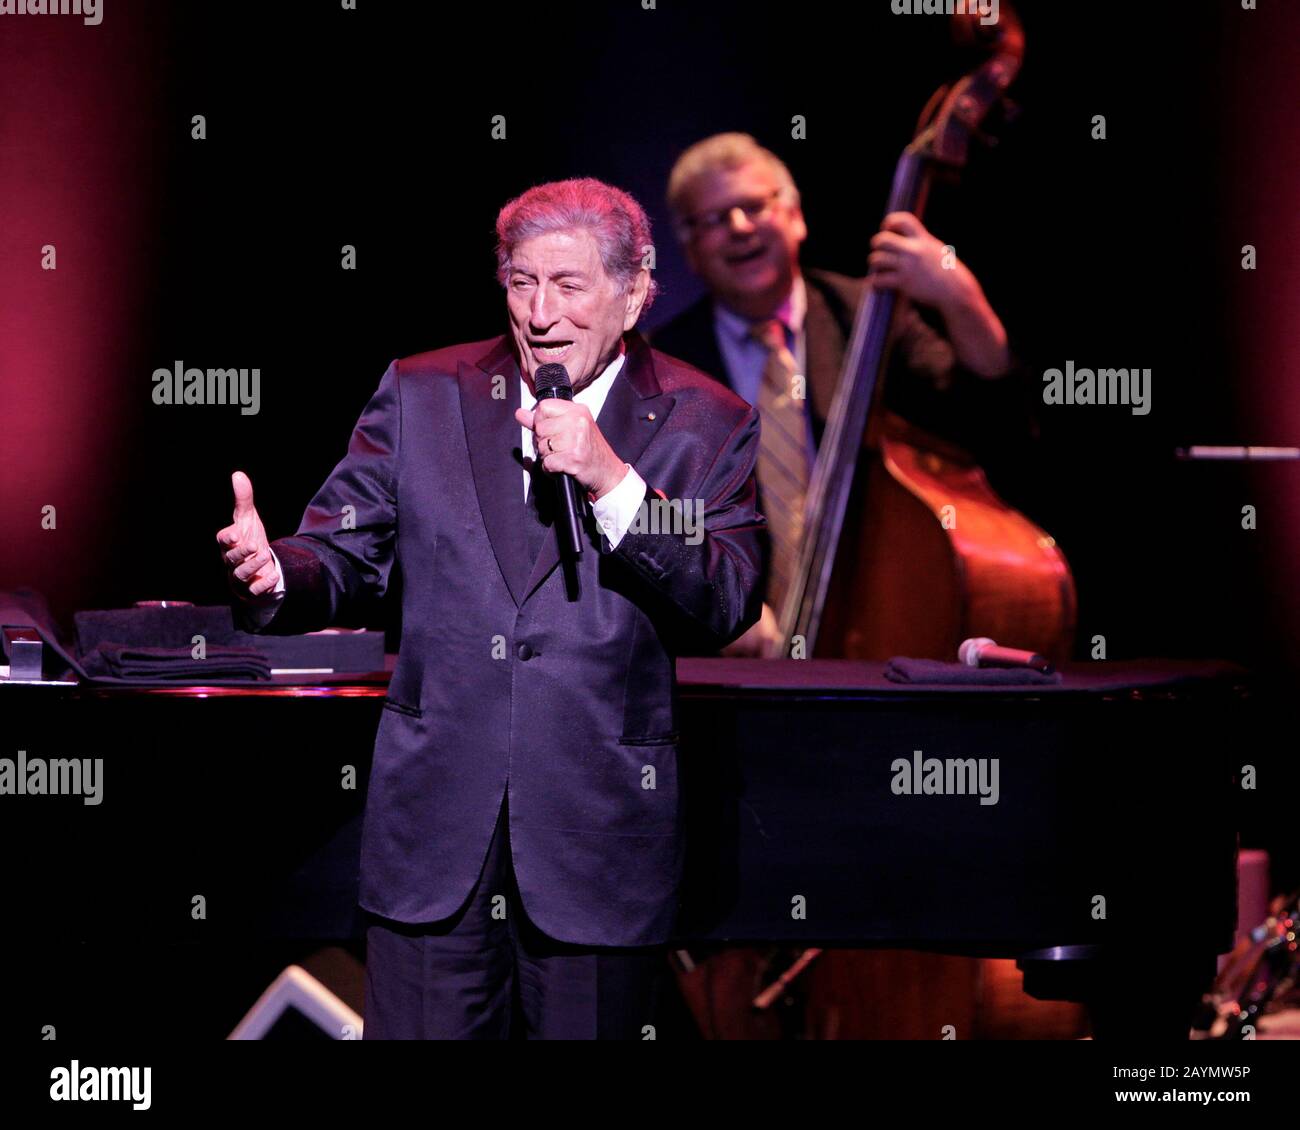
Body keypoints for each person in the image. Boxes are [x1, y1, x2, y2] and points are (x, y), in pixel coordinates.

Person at [215, 177, 765, 1039]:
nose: (541, 314)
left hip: (598, 848)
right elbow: (344, 551)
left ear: (636, 289)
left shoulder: (706, 418)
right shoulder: (423, 390)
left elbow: (729, 592)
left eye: (569, 286)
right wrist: (278, 573)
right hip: (436, 844)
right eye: (520, 283)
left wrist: (614, 479)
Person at [652, 132, 1028, 656]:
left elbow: (994, 418)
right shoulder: (663, 361)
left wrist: (959, 296)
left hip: (875, 621)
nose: (739, 228)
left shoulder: (865, 313)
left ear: (796, 216)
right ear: (689, 250)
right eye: (713, 219)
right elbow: (651, 510)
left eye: (753, 206)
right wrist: (713, 595)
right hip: (737, 657)